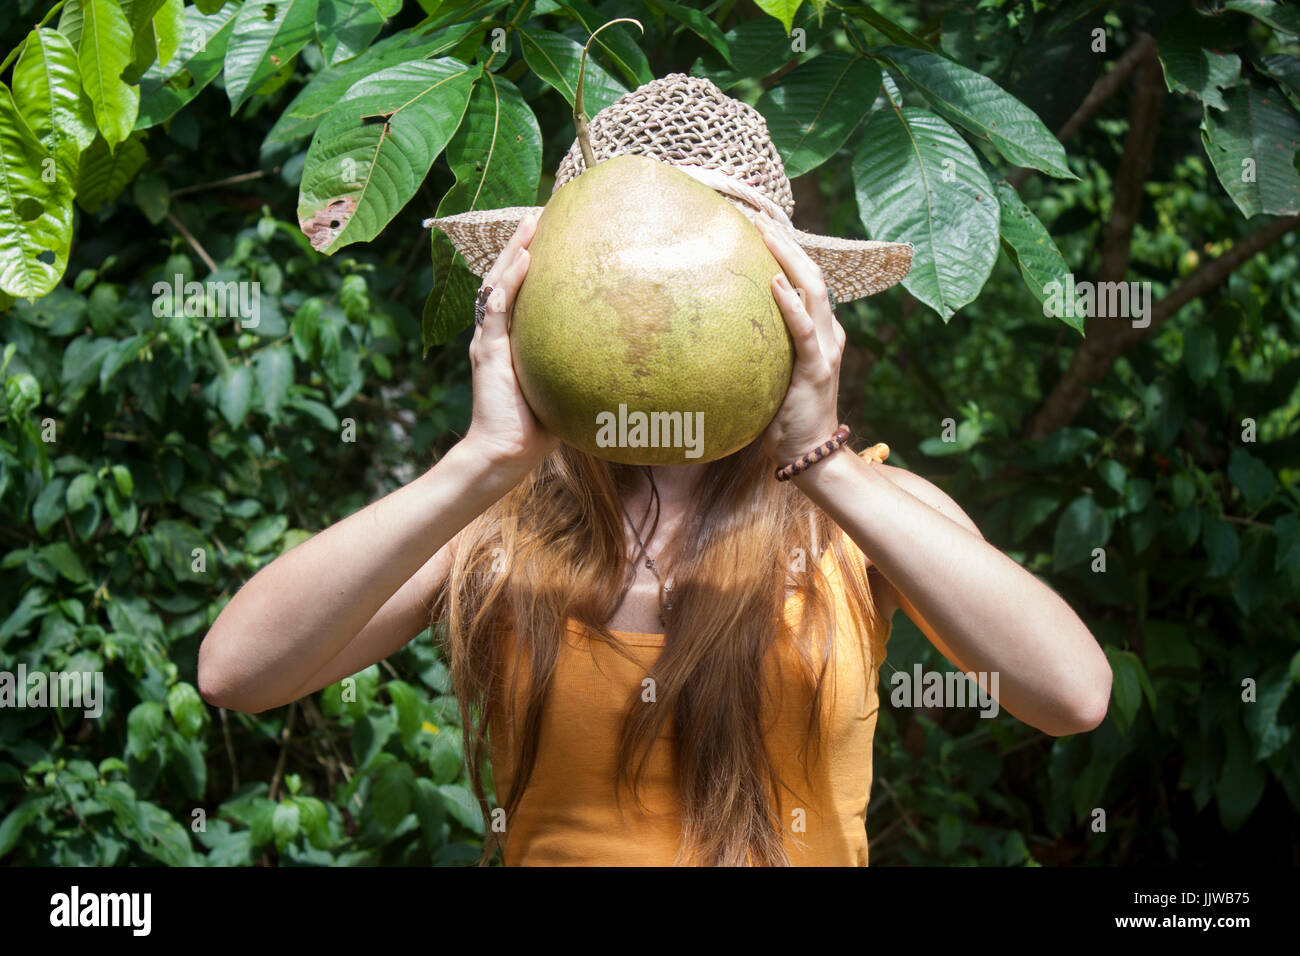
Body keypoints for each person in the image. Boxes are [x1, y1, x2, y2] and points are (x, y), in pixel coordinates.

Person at [198, 202, 1112, 865]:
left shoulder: (861, 511)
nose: (653, 318)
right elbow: (239, 674)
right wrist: (480, 462)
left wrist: (823, 465)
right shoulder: (490, 522)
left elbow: (1069, 694)